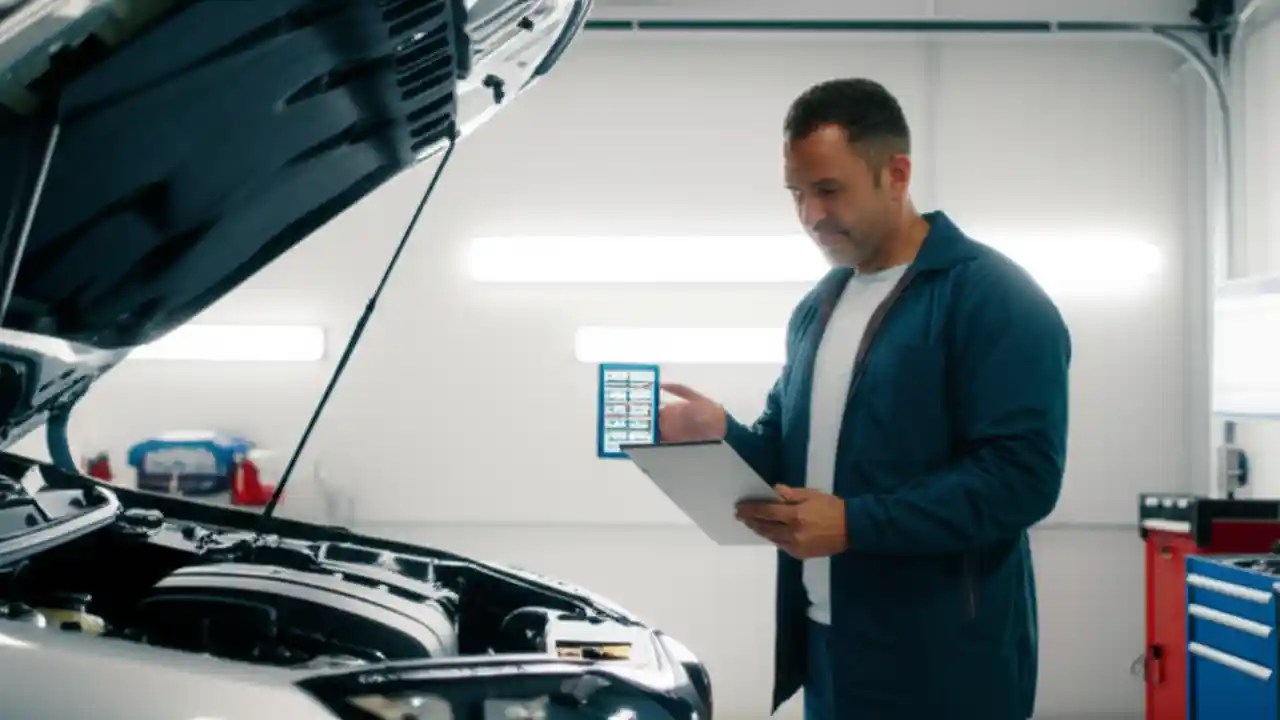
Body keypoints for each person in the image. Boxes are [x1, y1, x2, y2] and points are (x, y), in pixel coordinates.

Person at [657, 78, 1071, 720]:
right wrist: (721, 434)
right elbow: (791, 452)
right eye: (797, 194)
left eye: (829, 190)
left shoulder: (991, 297)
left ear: (896, 173)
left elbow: (1022, 479)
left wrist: (854, 524)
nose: (810, 216)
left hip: (945, 665)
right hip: (829, 650)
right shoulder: (818, 307)